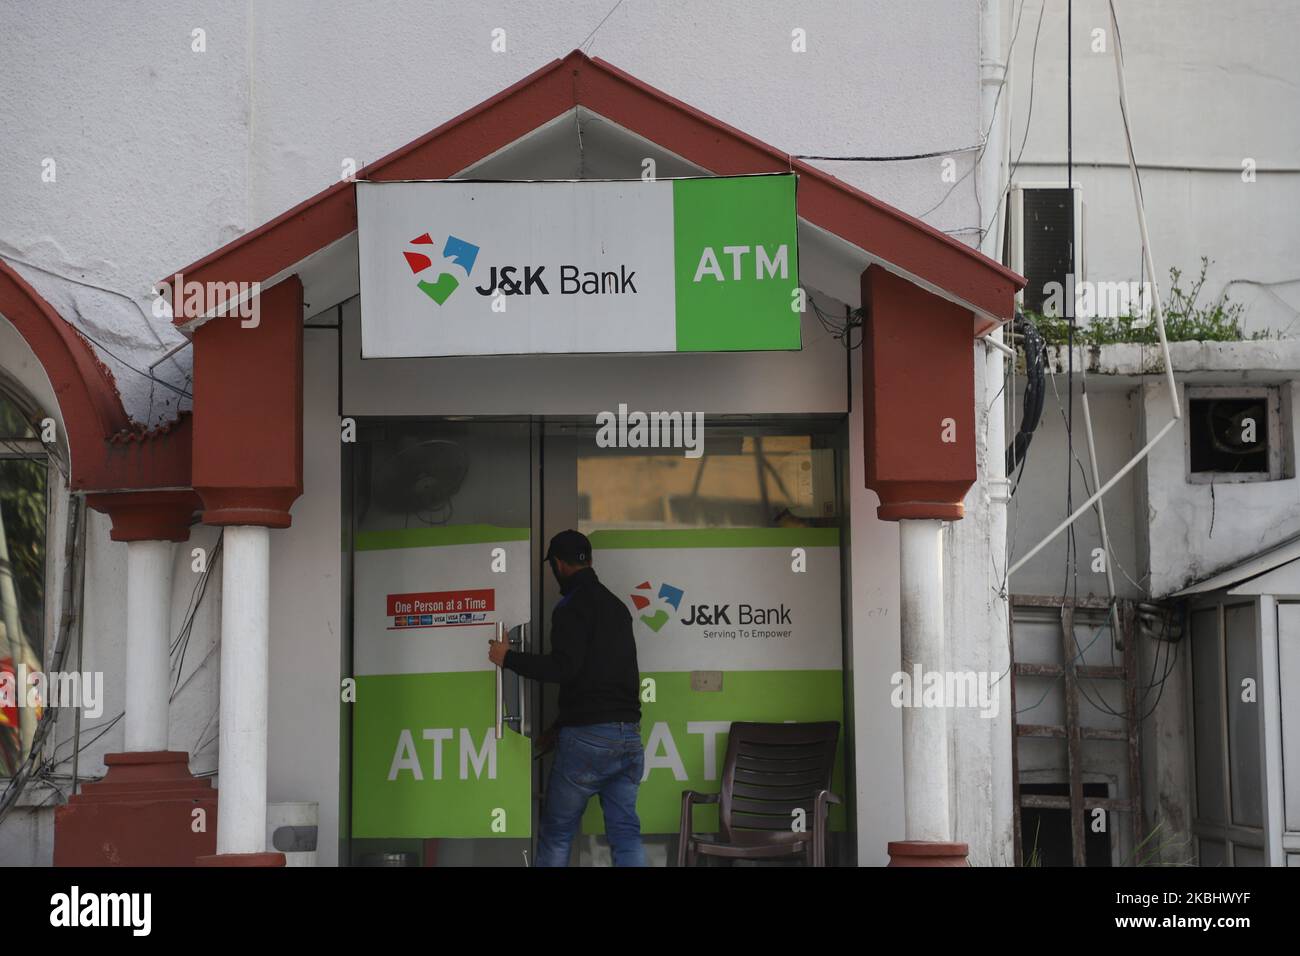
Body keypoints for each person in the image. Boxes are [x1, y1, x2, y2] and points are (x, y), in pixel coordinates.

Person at [487, 529, 646, 867]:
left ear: (558, 565)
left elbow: (564, 668)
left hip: (588, 740)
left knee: (558, 832)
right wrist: (560, 725)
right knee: (625, 832)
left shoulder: (571, 607)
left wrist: (508, 658)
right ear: (589, 560)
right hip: (629, 737)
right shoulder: (617, 607)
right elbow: (604, 676)